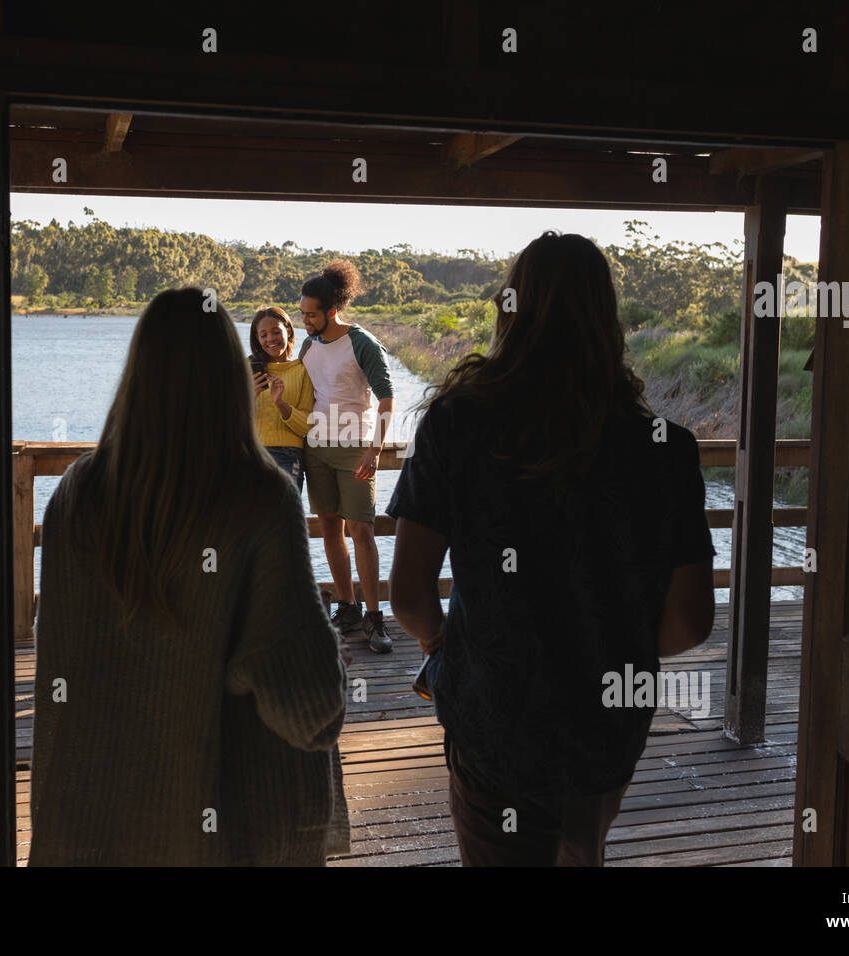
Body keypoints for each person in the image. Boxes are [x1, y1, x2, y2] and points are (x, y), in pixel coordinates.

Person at [386, 232, 716, 867]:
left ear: (510, 311)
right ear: (608, 319)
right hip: (606, 726)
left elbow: (408, 595)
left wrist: (444, 648)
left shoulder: (458, 423)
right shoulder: (664, 446)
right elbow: (688, 621)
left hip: (494, 719)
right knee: (579, 851)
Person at [29, 288, 350, 865]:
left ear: (138, 373)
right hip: (229, 833)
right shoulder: (256, 498)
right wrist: (327, 640)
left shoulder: (77, 495)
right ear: (230, 373)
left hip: (96, 824)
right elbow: (308, 706)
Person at [299, 260, 396, 654]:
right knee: (329, 527)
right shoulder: (308, 345)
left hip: (356, 446)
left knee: (362, 531)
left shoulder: (362, 342)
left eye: (311, 315)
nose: (304, 321)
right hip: (316, 447)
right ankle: (348, 606)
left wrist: (375, 449)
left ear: (331, 311)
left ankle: (375, 617)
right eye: (302, 314)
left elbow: (387, 397)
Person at [249, 306, 315, 492]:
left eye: (276, 332)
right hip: (253, 455)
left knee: (285, 519)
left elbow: (306, 425)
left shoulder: (302, 370)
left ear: (288, 330)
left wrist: (280, 403)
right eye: (263, 335)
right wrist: (251, 396)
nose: (270, 339)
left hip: (289, 456)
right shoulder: (247, 369)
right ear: (257, 339)